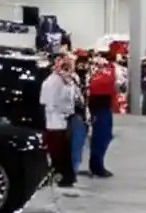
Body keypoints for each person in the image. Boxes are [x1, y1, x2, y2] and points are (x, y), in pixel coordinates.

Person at [39, 55, 79, 191]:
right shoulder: (55, 81)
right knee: (58, 151)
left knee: (59, 152)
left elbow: (65, 102)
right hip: (55, 121)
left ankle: (63, 176)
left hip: (58, 121)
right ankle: (61, 175)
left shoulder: (64, 81)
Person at [87, 55, 117, 178]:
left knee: (105, 136)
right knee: (101, 136)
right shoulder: (97, 73)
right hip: (99, 107)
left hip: (104, 106)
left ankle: (97, 164)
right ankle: (96, 165)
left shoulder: (106, 71)